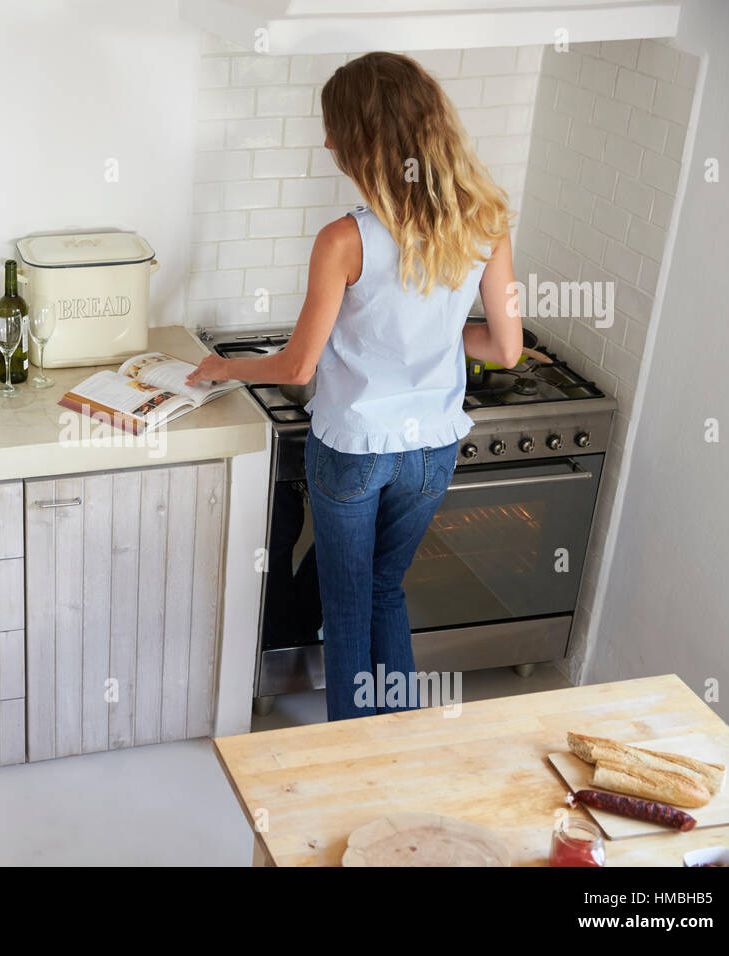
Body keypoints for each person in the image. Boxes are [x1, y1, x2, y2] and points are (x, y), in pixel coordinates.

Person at [186, 52, 523, 721]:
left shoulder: (346, 239)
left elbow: (296, 368)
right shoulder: (485, 221)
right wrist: (432, 338)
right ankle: (396, 747)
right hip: (432, 450)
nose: (326, 141)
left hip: (356, 448)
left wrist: (223, 367)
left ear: (367, 141)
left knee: (345, 604)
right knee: (383, 592)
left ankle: (349, 757)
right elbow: (506, 349)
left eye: (334, 127)